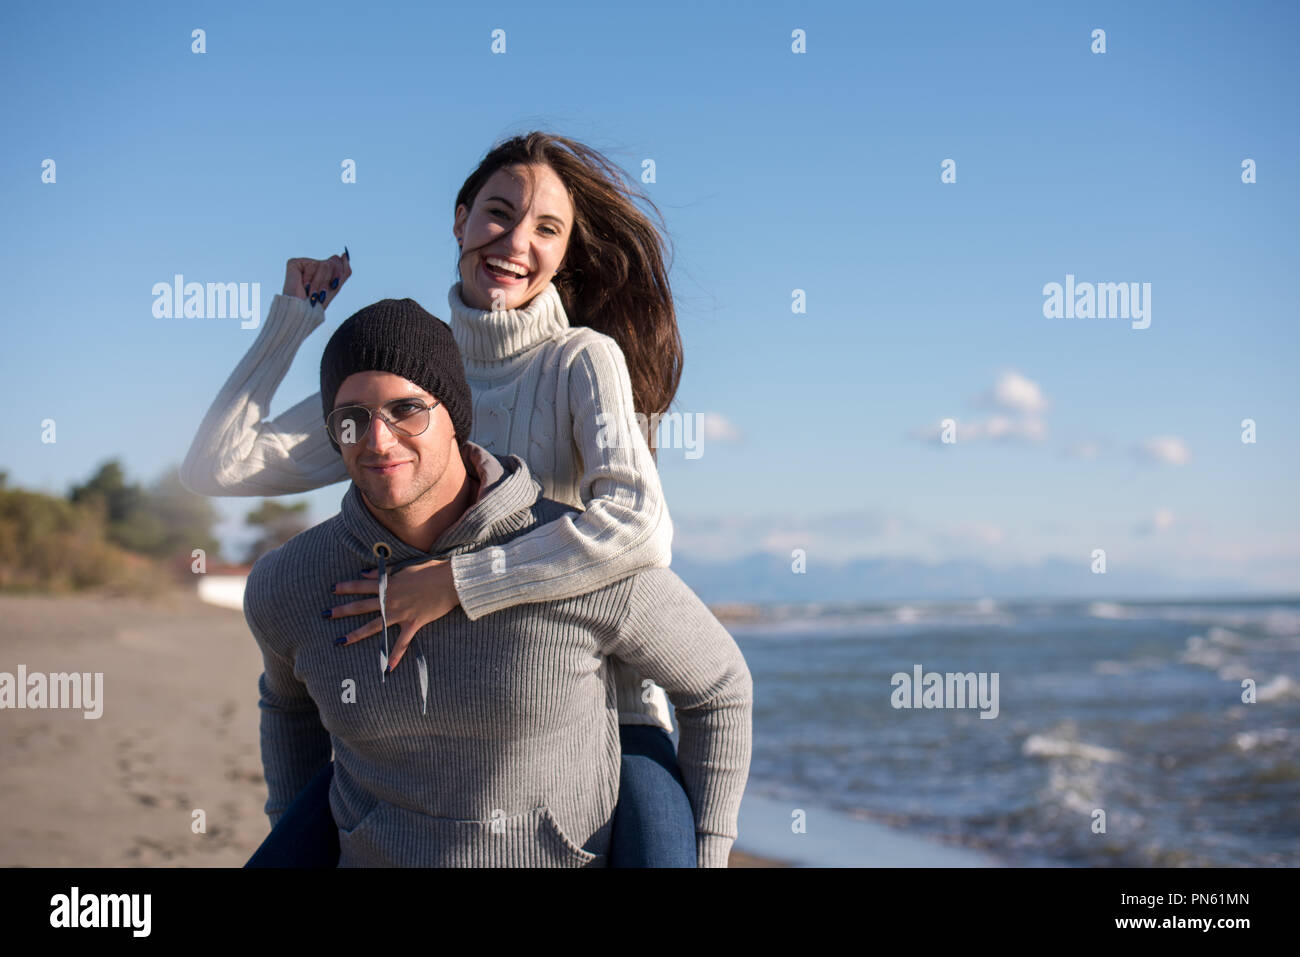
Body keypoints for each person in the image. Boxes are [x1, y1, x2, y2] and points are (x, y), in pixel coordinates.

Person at [180, 132, 698, 864]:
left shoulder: (582, 360)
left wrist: (456, 583)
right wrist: (293, 318)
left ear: (566, 251)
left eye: (547, 228)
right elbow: (218, 466)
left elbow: (639, 527)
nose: (516, 241)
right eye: (497, 213)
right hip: (431, 724)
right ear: (459, 219)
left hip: (603, 710)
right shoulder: (407, 380)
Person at [241, 297, 751, 867]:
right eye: (351, 420)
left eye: (406, 410)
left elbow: (719, 688)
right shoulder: (289, 583)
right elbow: (286, 708)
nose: (378, 442)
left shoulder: (575, 557)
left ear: (455, 413)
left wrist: (708, 853)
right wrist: (291, 829)